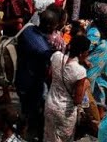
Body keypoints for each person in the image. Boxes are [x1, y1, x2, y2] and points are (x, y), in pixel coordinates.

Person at [17, 8, 60, 139]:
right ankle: (29, 133)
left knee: (25, 107)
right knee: (35, 110)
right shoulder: (43, 49)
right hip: (33, 82)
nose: (55, 29)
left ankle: (22, 129)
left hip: (20, 76)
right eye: (54, 26)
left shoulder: (28, 29)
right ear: (49, 26)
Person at [43, 35, 91, 142]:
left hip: (50, 103)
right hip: (65, 111)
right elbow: (77, 100)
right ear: (81, 53)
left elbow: (49, 76)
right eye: (87, 52)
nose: (88, 54)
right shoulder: (80, 71)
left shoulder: (56, 56)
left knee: (50, 136)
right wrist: (86, 84)